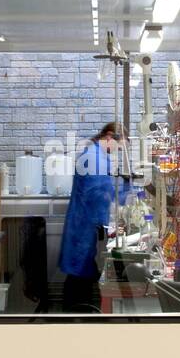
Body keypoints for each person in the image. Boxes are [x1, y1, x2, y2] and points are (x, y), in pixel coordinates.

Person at [58, 123, 128, 312]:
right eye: (118, 147)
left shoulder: (98, 155)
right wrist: (127, 189)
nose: (117, 152)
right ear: (109, 137)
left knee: (83, 275)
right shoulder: (93, 158)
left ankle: (81, 315)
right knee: (78, 277)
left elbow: (105, 190)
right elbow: (100, 194)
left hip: (86, 224)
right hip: (83, 226)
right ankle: (74, 320)